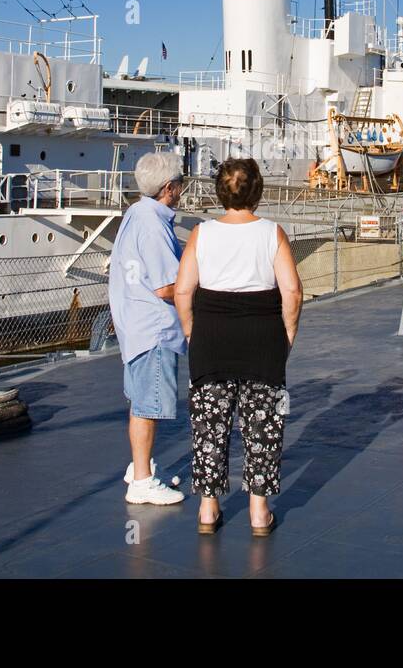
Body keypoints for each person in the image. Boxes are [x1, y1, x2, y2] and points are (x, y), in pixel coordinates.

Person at [173, 158, 302, 537]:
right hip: (262, 339)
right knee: (263, 427)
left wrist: (192, 333)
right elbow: (292, 292)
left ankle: (208, 511)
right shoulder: (271, 233)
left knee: (209, 427)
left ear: (220, 191)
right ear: (257, 190)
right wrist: (287, 336)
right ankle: (259, 513)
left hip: (211, 337)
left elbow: (183, 291)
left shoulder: (202, 233)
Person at [107, 151, 187, 505]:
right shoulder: (154, 225)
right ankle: (142, 480)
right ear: (169, 188)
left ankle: (139, 465)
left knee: (139, 401)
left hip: (133, 324)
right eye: (181, 184)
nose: (183, 190)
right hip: (153, 328)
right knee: (147, 406)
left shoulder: (136, 213)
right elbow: (166, 288)